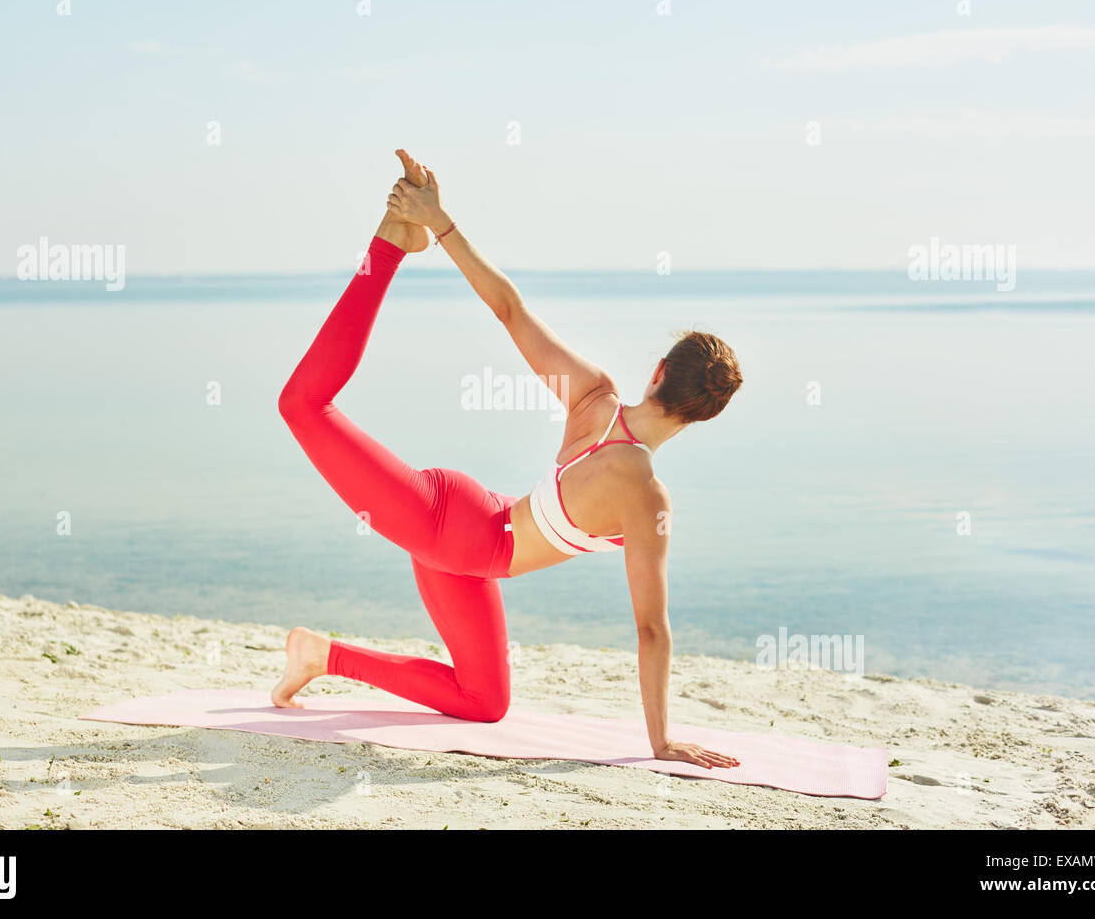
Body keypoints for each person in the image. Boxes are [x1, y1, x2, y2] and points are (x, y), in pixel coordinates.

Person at [273, 150, 743, 769]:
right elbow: (652, 629)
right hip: (455, 529)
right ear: (705, 416)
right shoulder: (647, 496)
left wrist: (443, 224)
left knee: (484, 701)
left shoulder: (596, 395)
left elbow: (510, 310)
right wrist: (660, 743)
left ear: (658, 373)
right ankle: (386, 244)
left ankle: (318, 655)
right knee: (303, 404)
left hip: (470, 546)